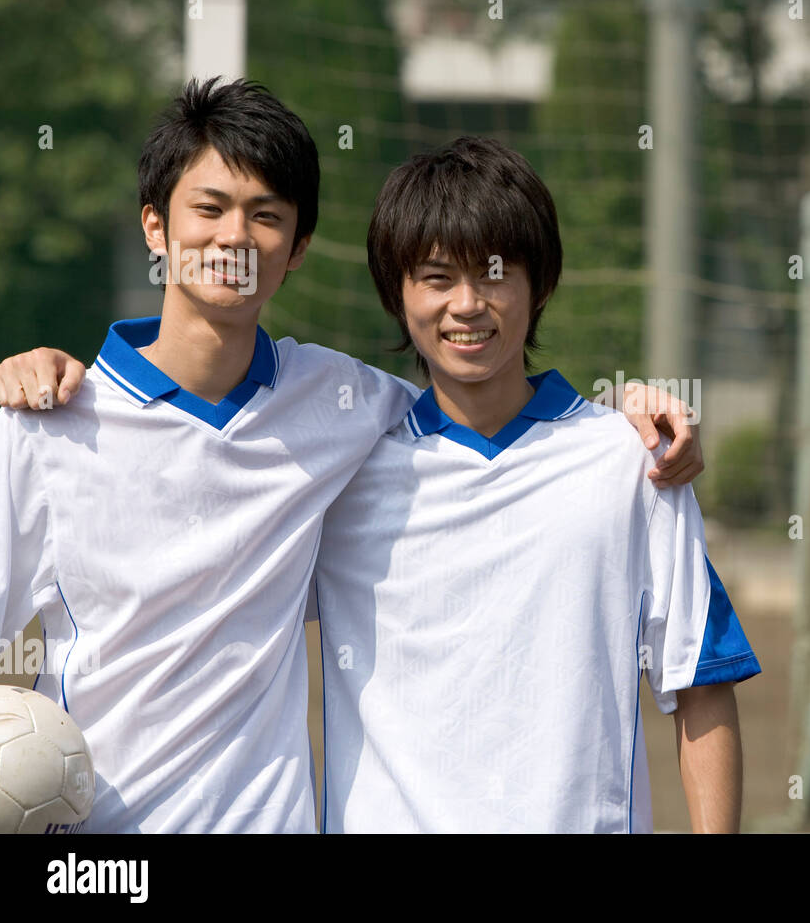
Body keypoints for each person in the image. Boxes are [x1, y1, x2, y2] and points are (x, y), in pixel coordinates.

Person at [0, 80, 701, 832]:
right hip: (103, 850)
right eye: (208, 208)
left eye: (265, 216)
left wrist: (629, 412)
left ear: (298, 248)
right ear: (155, 228)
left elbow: (480, 403)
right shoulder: (42, 429)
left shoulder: (344, 405)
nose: (235, 237)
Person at [313, 137, 759, 833]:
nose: (467, 304)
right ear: (395, 294)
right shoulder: (342, 472)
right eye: (435, 278)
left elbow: (700, 681)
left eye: (493, 274)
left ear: (540, 284)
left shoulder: (632, 461)